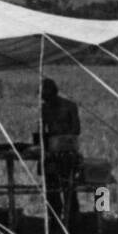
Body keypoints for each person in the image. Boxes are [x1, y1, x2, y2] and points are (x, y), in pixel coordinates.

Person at [37, 77, 82, 223]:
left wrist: (62, 138)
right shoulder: (44, 108)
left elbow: (76, 129)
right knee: (51, 187)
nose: (46, 101)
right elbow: (42, 130)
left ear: (54, 93)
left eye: (48, 97)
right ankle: (54, 218)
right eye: (44, 98)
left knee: (69, 186)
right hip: (51, 152)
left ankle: (74, 218)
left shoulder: (69, 106)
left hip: (68, 151)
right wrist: (42, 145)